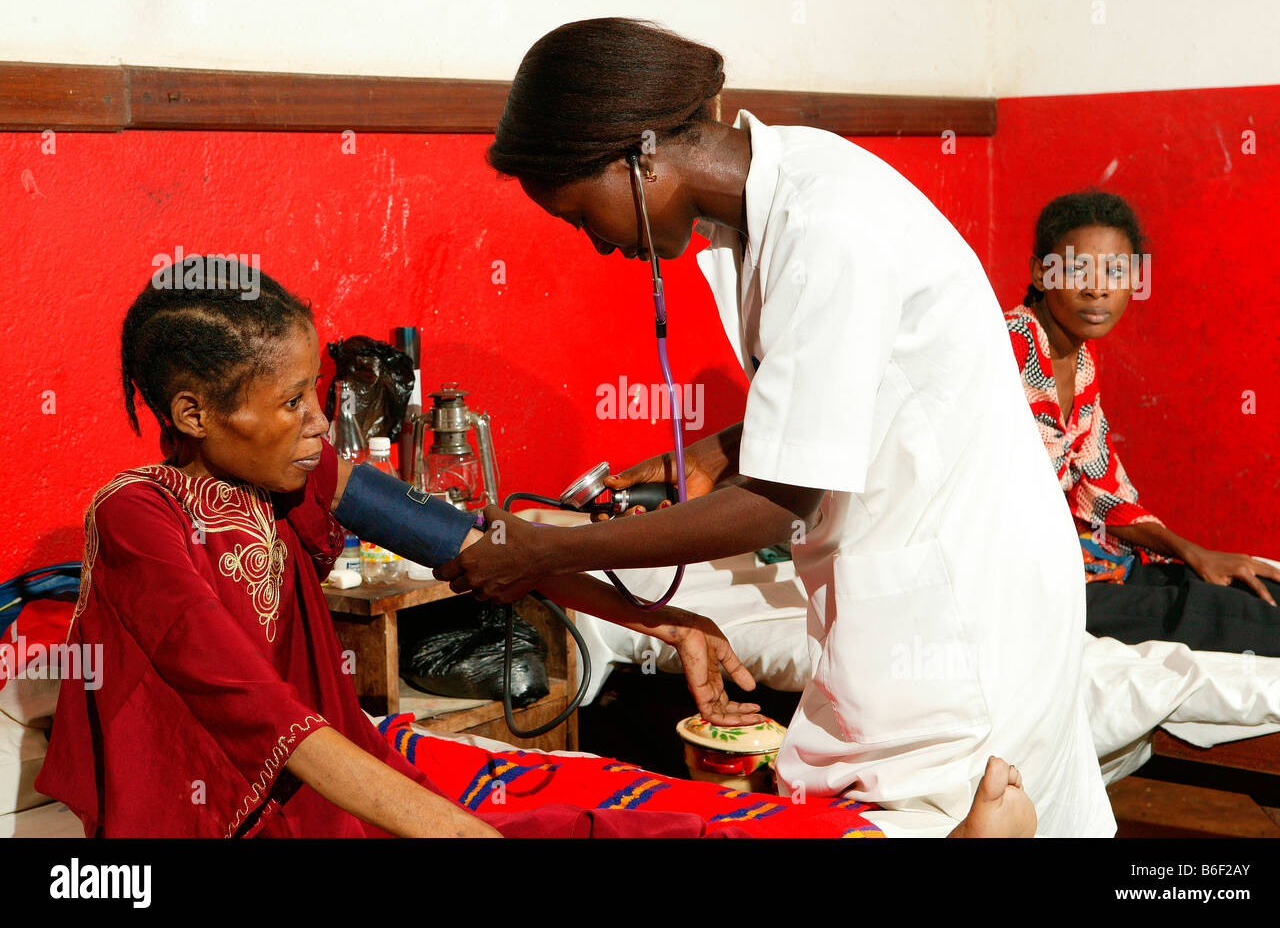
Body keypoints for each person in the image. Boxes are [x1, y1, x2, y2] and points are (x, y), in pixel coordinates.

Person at [437, 18, 1110, 837]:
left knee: (953, 815)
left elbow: (777, 501)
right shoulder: (776, 193)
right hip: (917, 588)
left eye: (583, 216)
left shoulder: (827, 227)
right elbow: (856, 389)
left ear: (639, 157)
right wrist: (713, 451)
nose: (598, 245)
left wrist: (553, 548)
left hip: (962, 609)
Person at [34, 257, 765, 838]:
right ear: (193, 411)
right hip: (205, 814)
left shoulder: (302, 472)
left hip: (319, 796)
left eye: (314, 394)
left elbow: (477, 548)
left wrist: (653, 620)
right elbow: (254, 706)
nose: (321, 423)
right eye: (293, 403)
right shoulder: (137, 516)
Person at [1007, 190, 1280, 655]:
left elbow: (1103, 495)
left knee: (1266, 593)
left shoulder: (1079, 361)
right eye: (1078, 269)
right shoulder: (1006, 351)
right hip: (1038, 586)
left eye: (1116, 272)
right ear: (1042, 273)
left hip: (1097, 561)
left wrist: (1191, 552)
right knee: (1232, 618)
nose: (1098, 288)